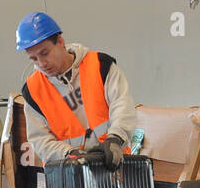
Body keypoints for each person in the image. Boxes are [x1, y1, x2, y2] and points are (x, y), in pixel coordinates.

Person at [16, 11, 137, 170]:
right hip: (70, 173)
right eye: (34, 59)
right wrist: (71, 154)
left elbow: (122, 106)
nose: (42, 63)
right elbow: (41, 141)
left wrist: (115, 139)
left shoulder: (101, 66)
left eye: (45, 53)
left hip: (115, 165)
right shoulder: (33, 91)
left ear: (60, 42)